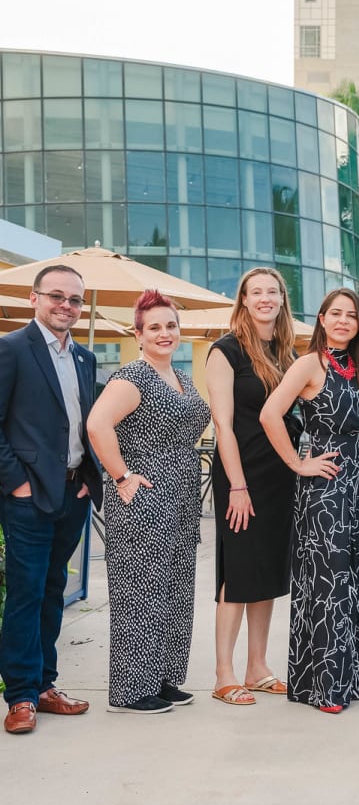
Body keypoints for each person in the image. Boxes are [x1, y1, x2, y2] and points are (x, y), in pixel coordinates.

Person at [87, 290, 211, 714]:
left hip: (180, 496)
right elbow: (97, 424)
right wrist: (121, 475)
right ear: (137, 335)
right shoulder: (131, 378)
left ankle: (161, 677)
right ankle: (131, 689)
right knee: (140, 591)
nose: (165, 333)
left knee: (174, 588)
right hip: (144, 495)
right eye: (154, 327)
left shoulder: (182, 378)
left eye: (171, 326)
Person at [260, 288, 359, 714]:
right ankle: (323, 685)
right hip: (324, 490)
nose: (344, 321)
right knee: (327, 583)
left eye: (351, 315)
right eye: (336, 314)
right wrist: (298, 464)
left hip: (356, 489)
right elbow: (270, 414)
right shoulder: (310, 363)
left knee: (354, 581)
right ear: (323, 319)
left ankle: (347, 678)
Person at [0, 265, 102, 735]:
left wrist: (85, 476)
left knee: (52, 592)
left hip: (72, 493)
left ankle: (44, 685)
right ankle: (19, 696)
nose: (66, 305)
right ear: (34, 297)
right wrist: (16, 482)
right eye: (57, 296)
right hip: (27, 496)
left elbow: (83, 425)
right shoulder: (12, 349)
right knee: (25, 592)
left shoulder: (85, 358)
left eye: (75, 300)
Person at [206, 267, 297, 706]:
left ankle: (257, 666)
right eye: (255, 292)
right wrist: (237, 486)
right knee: (239, 574)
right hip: (241, 477)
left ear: (282, 299)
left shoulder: (287, 353)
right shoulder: (226, 351)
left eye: (271, 291)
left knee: (269, 573)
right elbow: (222, 423)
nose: (264, 298)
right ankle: (224, 673)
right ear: (243, 300)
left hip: (281, 476)